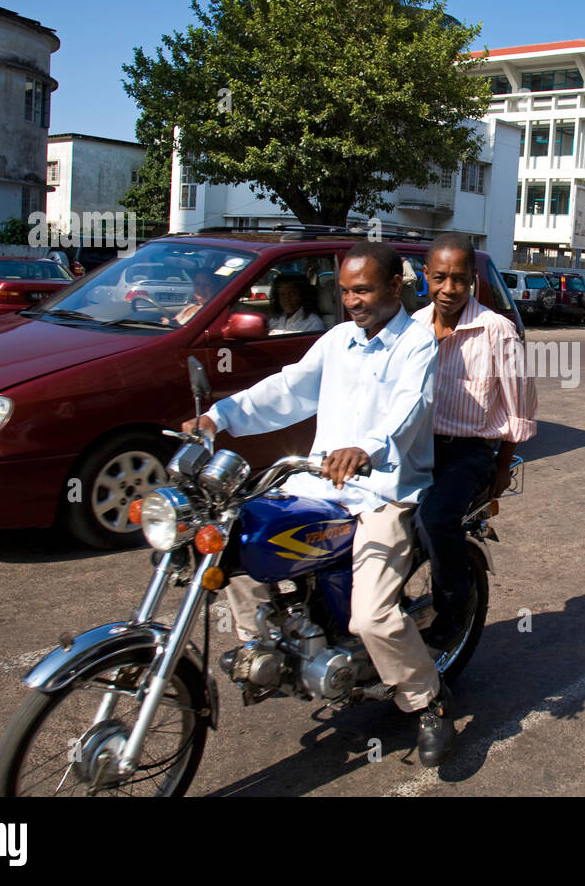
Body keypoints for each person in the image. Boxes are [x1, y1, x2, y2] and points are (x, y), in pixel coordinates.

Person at [183, 242, 456, 767]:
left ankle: (428, 699)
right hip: (317, 484)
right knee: (234, 540)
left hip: (384, 493)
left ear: (394, 288)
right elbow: (285, 391)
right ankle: (263, 644)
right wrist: (219, 418)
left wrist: (366, 447)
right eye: (345, 290)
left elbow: (409, 408)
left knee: (372, 619)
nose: (351, 300)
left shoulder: (417, 344)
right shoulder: (337, 342)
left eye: (363, 290)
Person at [413, 233, 537, 653]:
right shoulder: (410, 328)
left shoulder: (497, 332)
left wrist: (501, 468)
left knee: (435, 518)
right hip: (417, 447)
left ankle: (454, 609)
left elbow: (521, 407)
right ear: (425, 276)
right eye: (441, 278)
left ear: (473, 283)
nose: (449, 289)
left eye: (460, 280)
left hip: (468, 454)